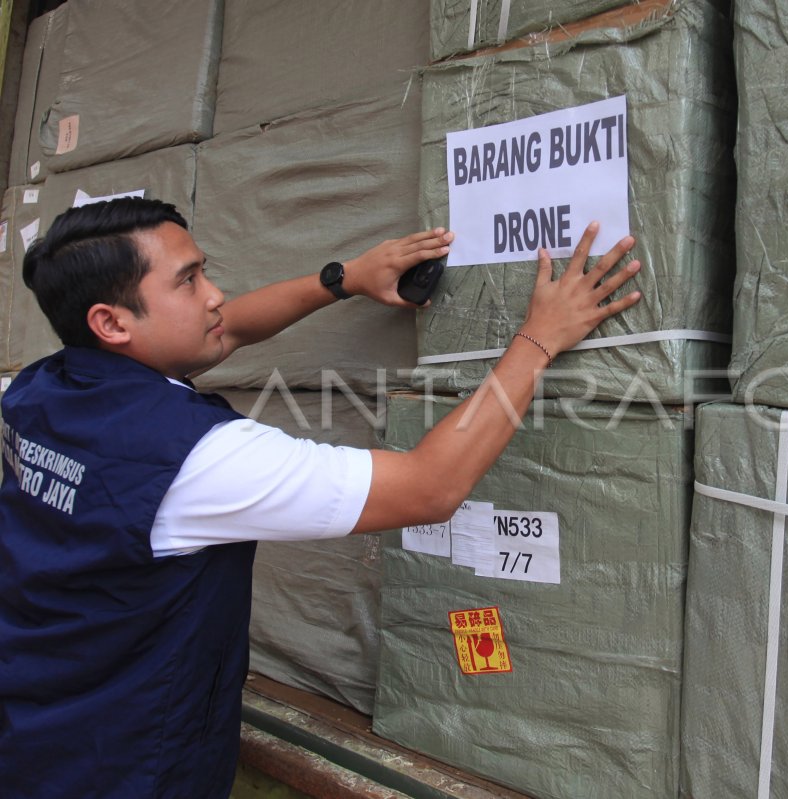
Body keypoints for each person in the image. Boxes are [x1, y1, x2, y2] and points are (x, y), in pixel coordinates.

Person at [0, 197, 642, 798]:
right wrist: (539, 338)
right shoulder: (195, 460)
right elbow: (430, 487)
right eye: (188, 282)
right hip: (124, 766)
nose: (215, 295)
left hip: (41, 719)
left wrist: (344, 279)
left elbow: (226, 332)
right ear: (110, 322)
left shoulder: (43, 389)